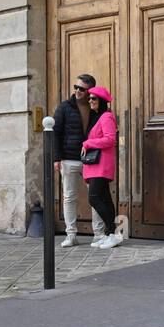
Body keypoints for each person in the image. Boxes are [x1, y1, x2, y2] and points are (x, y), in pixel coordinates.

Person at [52, 73, 103, 247]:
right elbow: (55, 134)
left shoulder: (96, 106)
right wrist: (56, 158)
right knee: (69, 197)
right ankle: (71, 235)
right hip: (69, 158)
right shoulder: (64, 107)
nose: (77, 91)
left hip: (91, 159)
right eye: (76, 87)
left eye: (82, 88)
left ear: (90, 90)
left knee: (96, 197)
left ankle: (99, 234)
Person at [81, 86, 121, 249]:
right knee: (105, 198)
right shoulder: (97, 117)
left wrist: (88, 143)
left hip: (102, 165)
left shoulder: (106, 117)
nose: (90, 101)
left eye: (94, 98)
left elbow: (110, 140)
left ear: (102, 101)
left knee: (94, 197)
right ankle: (111, 234)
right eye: (89, 98)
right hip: (95, 165)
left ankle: (114, 233)